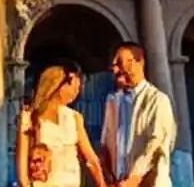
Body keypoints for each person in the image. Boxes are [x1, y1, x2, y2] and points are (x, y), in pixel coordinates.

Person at [99, 43, 176, 187]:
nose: (116, 70)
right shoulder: (113, 101)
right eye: (113, 65)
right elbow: (105, 144)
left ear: (139, 63)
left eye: (121, 63)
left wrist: (133, 179)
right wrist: (108, 177)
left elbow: (156, 145)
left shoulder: (157, 100)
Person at [17, 63, 107, 187]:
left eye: (79, 88)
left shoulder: (74, 117)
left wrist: (101, 183)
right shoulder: (30, 117)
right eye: (74, 86)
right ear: (59, 85)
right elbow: (22, 171)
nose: (76, 92)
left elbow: (91, 159)